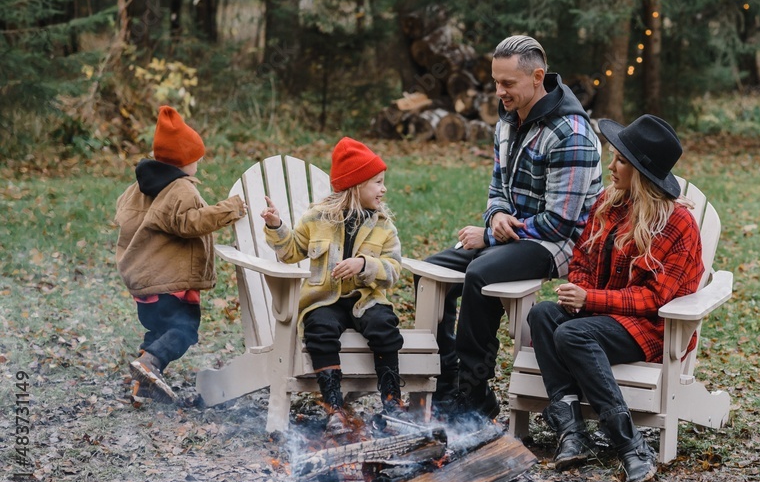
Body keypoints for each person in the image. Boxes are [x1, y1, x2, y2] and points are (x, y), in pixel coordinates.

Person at [424, 34, 603, 420]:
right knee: (431, 271)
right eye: (495, 81)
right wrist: (496, 215)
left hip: (561, 244)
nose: (498, 91)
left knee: (480, 272)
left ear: (537, 77)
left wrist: (490, 235)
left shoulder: (571, 133)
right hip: (516, 234)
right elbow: (496, 187)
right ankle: (445, 380)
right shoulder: (507, 121)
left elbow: (560, 222)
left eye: (507, 83)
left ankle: (474, 393)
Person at [525, 114, 705, 482]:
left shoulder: (677, 224)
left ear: (641, 171)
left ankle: (630, 445)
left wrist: (590, 298)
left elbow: (656, 299)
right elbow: (581, 261)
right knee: (543, 315)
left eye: (621, 160)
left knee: (571, 336)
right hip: (601, 316)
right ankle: (572, 432)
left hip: (655, 328)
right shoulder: (609, 204)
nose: (611, 165)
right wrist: (579, 294)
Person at [260, 137, 407, 432]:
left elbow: (394, 269)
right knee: (320, 329)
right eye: (377, 182)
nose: (383, 189)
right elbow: (290, 252)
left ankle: (392, 404)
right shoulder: (317, 219)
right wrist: (276, 226)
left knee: (384, 324)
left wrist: (365, 265)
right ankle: (334, 409)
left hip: (365, 298)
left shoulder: (383, 226)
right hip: (324, 299)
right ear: (356, 185)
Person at [115, 106, 248, 405]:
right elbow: (190, 223)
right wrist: (230, 208)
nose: (200, 162)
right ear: (184, 161)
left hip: (144, 282)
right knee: (184, 330)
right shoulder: (181, 189)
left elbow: (125, 216)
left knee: (159, 329)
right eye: (196, 158)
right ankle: (150, 364)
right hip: (170, 283)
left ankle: (144, 381)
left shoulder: (136, 188)